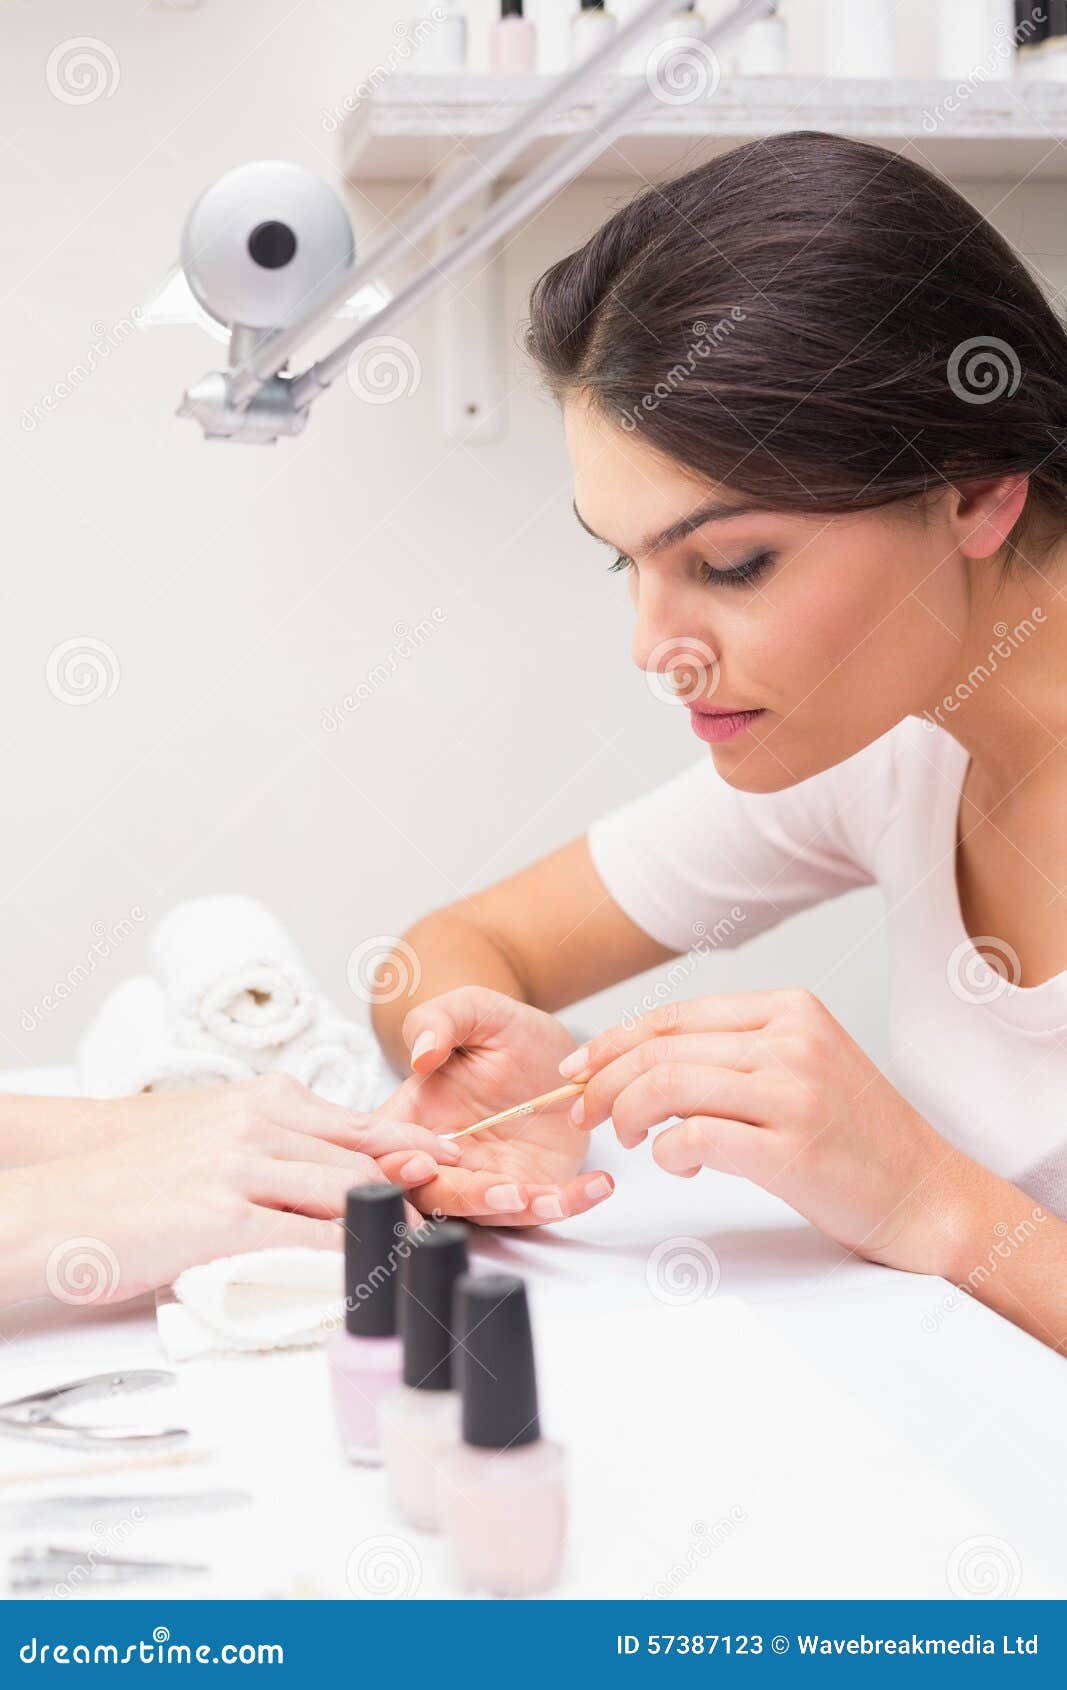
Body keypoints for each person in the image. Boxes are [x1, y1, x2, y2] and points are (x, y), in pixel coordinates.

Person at [368, 132, 1067, 1354]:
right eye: (624, 561)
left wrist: (924, 1196)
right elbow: (450, 950)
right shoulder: (890, 740)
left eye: (729, 564)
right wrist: (506, 1075)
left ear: (972, 489)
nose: (655, 647)